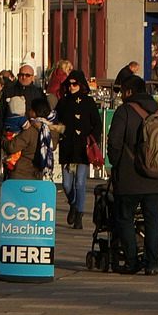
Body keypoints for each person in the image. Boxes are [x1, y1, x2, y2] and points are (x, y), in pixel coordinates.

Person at [105, 70, 158, 275]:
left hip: (129, 177)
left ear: (129, 91)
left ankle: (131, 261)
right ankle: (151, 264)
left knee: (124, 218)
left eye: (122, 91)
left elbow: (114, 142)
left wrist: (115, 163)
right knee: (153, 220)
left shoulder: (125, 111)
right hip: (156, 177)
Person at [54, 69, 101, 228]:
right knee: (67, 184)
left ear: (81, 85)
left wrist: (92, 139)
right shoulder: (63, 102)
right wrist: (59, 133)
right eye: (69, 84)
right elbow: (57, 122)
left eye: (75, 84)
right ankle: (73, 203)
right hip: (67, 147)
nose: (72, 86)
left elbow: (97, 124)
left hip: (83, 148)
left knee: (80, 182)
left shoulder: (89, 102)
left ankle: (79, 214)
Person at [2, 96, 56, 181]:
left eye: (31, 109)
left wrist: (4, 139)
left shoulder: (30, 131)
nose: (28, 111)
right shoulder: (50, 130)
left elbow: (11, 147)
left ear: (35, 113)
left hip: (23, 173)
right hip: (41, 175)